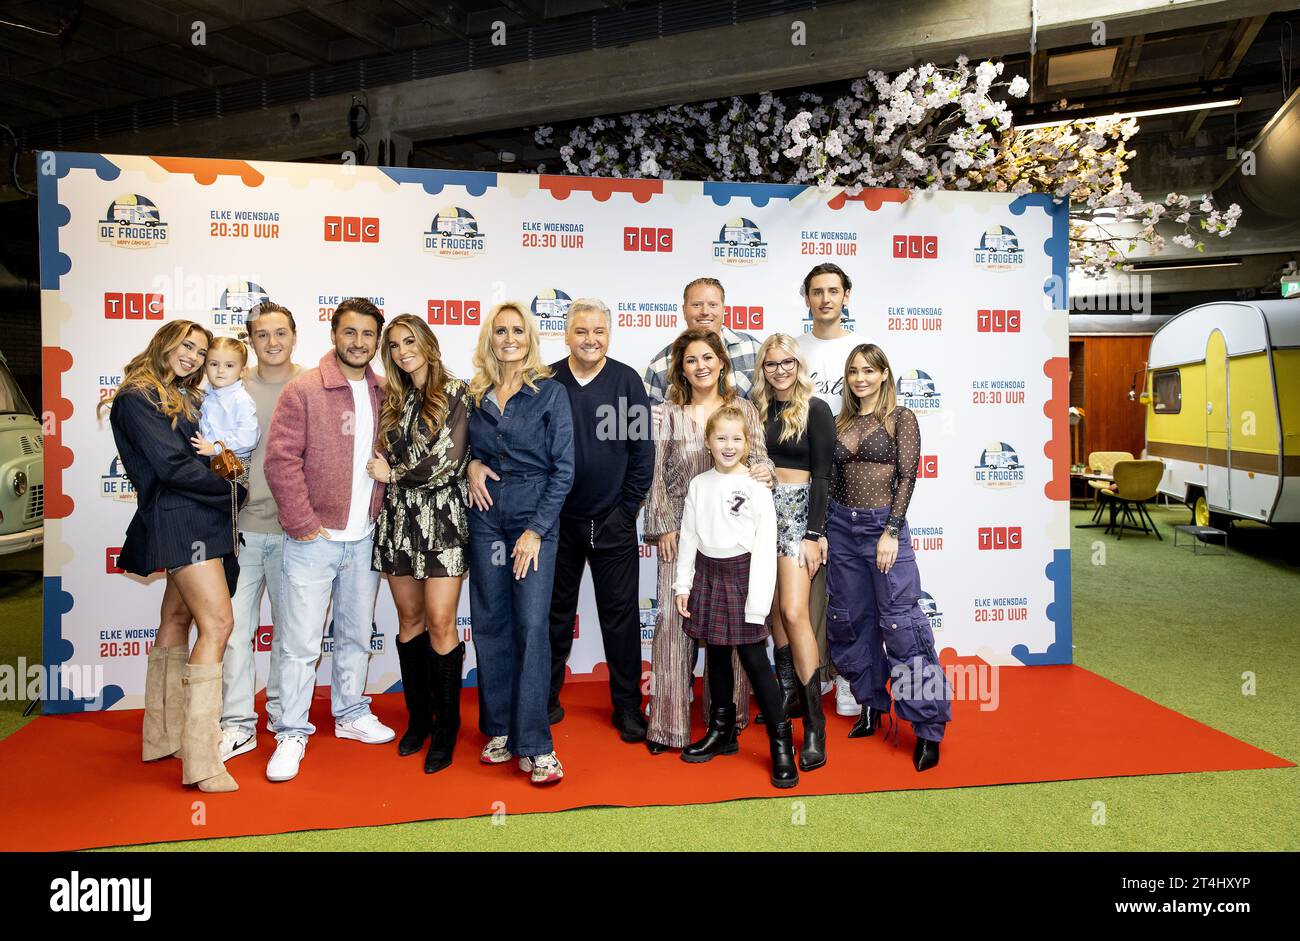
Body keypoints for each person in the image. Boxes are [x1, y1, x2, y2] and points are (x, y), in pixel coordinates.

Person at [101, 320, 240, 793]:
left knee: (178, 617)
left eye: (202, 352)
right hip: (182, 518)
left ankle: (162, 737)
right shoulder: (136, 397)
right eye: (187, 346)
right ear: (164, 342)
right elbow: (172, 466)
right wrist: (231, 491)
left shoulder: (181, 396)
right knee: (218, 624)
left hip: (195, 517)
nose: (195, 358)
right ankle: (203, 760)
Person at [262, 298, 395, 783]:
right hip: (312, 540)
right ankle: (291, 730)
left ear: (376, 341)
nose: (358, 343)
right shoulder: (304, 390)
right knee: (299, 643)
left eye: (367, 335)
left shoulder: (385, 392)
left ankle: (350, 713)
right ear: (334, 334)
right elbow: (280, 461)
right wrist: (301, 521)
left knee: (356, 635)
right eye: (350, 333)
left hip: (364, 539)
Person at [643, 328, 774, 754]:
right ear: (681, 369)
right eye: (690, 360)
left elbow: (760, 459)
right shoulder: (669, 414)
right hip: (680, 532)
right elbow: (657, 474)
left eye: (707, 358)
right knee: (672, 625)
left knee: (730, 635)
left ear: (722, 363)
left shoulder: (744, 410)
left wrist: (765, 472)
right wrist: (662, 524)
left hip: (732, 538)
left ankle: (727, 722)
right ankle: (668, 725)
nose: (700, 366)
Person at [823, 343, 950, 772]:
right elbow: (832, 479)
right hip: (841, 527)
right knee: (851, 621)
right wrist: (823, 532)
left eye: (868, 370)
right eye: (853, 371)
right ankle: (870, 706)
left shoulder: (901, 419)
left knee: (902, 626)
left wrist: (891, 530)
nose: (860, 378)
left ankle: (928, 730)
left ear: (883, 375)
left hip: (882, 528)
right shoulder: (840, 421)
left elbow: (907, 474)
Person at [465, 302, 574, 785]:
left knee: (531, 625)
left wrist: (537, 530)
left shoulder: (549, 392)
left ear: (529, 337)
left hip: (534, 514)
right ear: (490, 338)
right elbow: (463, 447)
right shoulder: (476, 393)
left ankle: (536, 744)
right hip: (487, 514)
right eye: (501, 331)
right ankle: (500, 730)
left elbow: (564, 469)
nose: (510, 338)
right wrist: (470, 465)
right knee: (490, 622)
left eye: (518, 330)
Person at [536, 298, 654, 741]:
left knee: (620, 619)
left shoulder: (626, 381)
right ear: (566, 335)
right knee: (553, 614)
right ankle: (544, 699)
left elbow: (643, 454)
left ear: (609, 335)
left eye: (599, 331)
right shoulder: (545, 380)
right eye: (582, 331)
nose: (591, 340)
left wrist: (625, 513)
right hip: (558, 522)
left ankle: (627, 708)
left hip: (613, 523)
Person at [367, 314, 471, 775]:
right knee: (409, 620)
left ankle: (446, 728)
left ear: (428, 343)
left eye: (410, 341)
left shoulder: (457, 391)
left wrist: (395, 475)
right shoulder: (392, 399)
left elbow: (449, 460)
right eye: (393, 345)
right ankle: (418, 719)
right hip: (397, 522)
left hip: (444, 521)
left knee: (441, 621)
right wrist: (388, 476)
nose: (402, 350)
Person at [673, 404, 795, 788]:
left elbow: (764, 546)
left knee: (756, 660)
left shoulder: (757, 486)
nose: (728, 446)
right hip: (708, 573)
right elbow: (689, 537)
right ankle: (722, 731)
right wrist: (683, 585)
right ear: (708, 442)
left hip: (744, 577)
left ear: (747, 443)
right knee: (719, 656)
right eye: (721, 438)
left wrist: (758, 602)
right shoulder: (699, 484)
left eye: (736, 439)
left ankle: (781, 743)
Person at [217, 302, 301, 761]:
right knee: (233, 630)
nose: (272, 342)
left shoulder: (312, 383)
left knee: (292, 633)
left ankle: (283, 715)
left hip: (296, 533)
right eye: (262, 334)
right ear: (250, 341)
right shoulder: (230, 385)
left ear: (294, 335)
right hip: (241, 530)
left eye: (280, 333)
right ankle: (236, 723)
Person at [750, 333, 835, 771]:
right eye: (770, 363)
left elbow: (822, 475)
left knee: (796, 611)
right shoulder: (757, 408)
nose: (779, 370)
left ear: (798, 365)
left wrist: (814, 533)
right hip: (762, 514)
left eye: (787, 362)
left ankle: (815, 724)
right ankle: (789, 695)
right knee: (773, 613)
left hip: (800, 514)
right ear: (761, 368)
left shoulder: (816, 409)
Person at [795, 263, 866, 719]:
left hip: (854, 483)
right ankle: (815, 673)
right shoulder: (793, 350)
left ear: (846, 296)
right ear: (806, 298)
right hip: (805, 482)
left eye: (833, 291)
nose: (825, 299)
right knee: (810, 589)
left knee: (851, 588)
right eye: (817, 291)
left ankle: (849, 676)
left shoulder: (859, 351)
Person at [642, 277, 762, 404]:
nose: (705, 312)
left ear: (724, 309)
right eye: (696, 305)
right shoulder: (661, 364)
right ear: (684, 310)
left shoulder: (753, 349)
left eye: (712, 305)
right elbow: (649, 419)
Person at [190, 336, 259, 481]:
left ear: (242, 371)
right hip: (207, 460)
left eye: (229, 365)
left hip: (233, 462)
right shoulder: (204, 395)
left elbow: (249, 437)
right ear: (204, 368)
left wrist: (215, 448)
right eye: (214, 364)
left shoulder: (241, 400)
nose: (221, 370)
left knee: (226, 502)